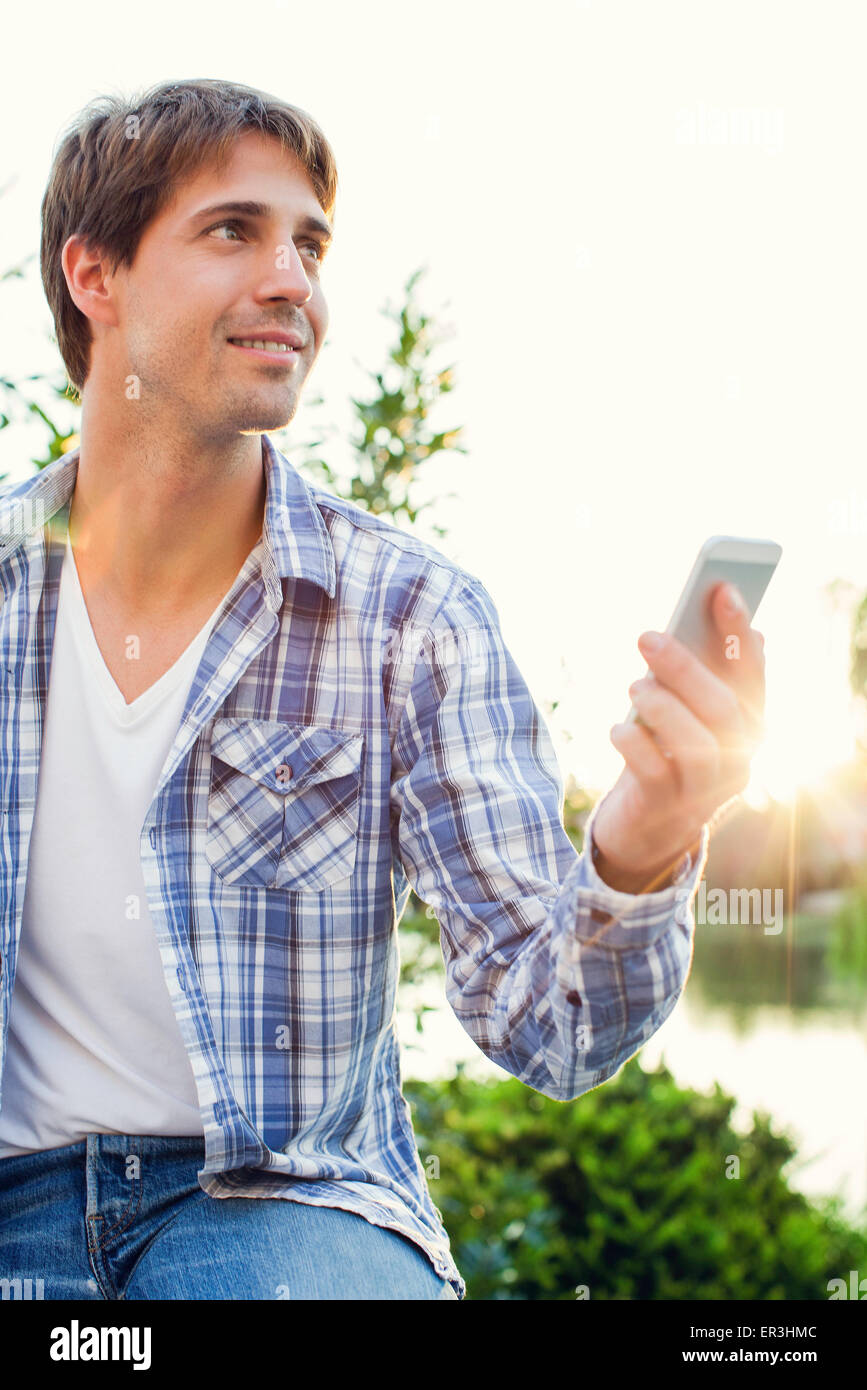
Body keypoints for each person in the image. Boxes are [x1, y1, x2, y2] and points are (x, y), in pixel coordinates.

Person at [0, 78, 766, 1301]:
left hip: (281, 1205)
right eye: (233, 231)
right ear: (95, 276)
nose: (293, 280)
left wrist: (640, 847)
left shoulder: (413, 617)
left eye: (309, 243)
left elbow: (551, 1027)